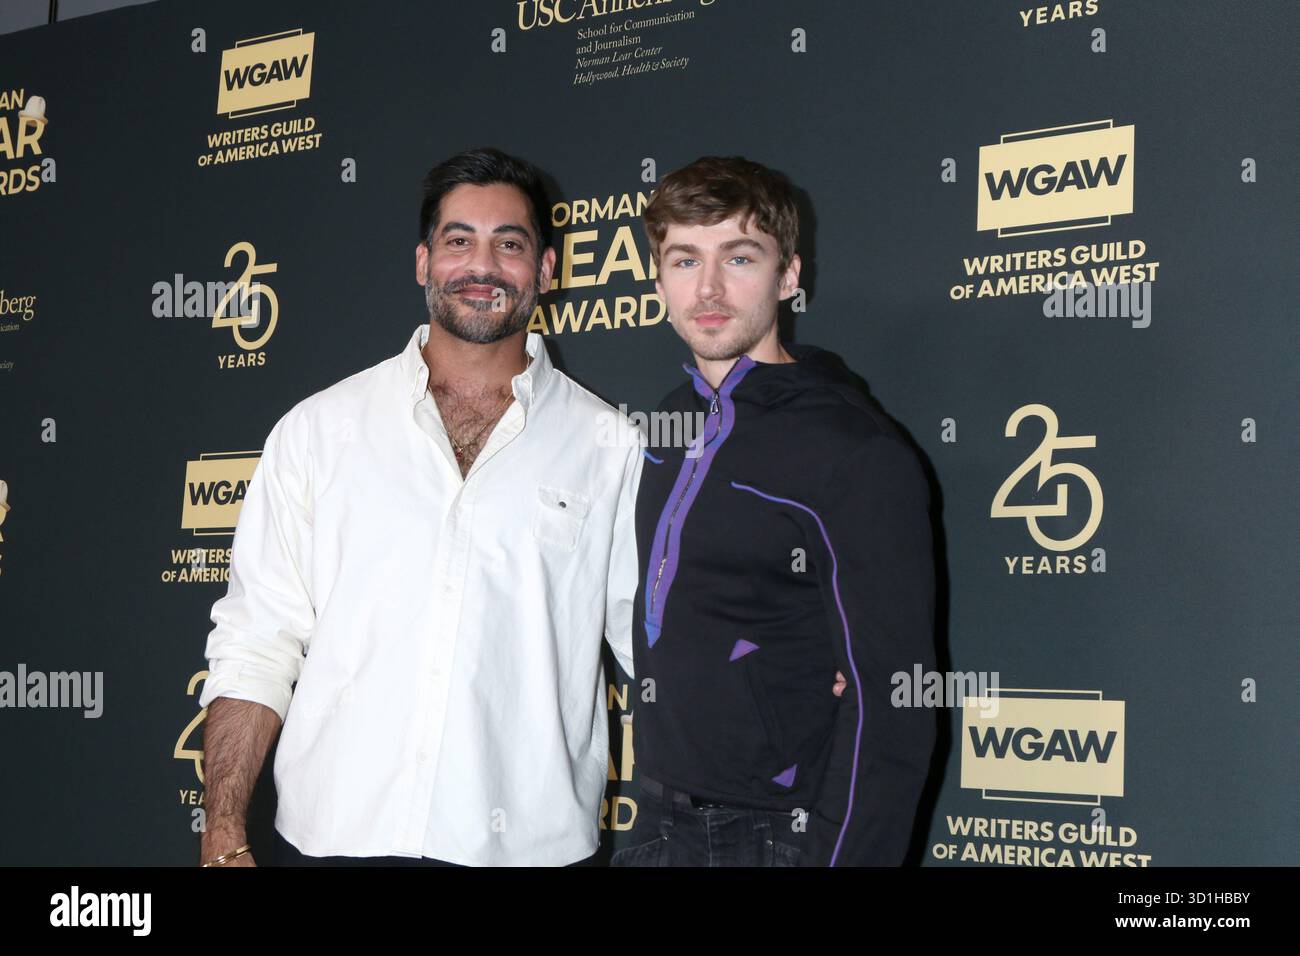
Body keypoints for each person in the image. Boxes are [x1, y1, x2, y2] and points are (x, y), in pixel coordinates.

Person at [197, 147, 643, 867]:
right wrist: (222, 832)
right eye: (458, 239)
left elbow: (656, 648)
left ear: (548, 271)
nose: (482, 265)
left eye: (510, 244)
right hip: (329, 841)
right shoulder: (319, 430)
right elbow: (257, 644)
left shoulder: (609, 447)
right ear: (422, 262)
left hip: (530, 852)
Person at [615, 155, 936, 867]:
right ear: (658, 277)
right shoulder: (671, 423)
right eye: (684, 259)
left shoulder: (853, 451)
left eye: (739, 257)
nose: (708, 288)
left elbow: (894, 707)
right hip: (656, 821)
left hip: (773, 836)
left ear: (788, 275)